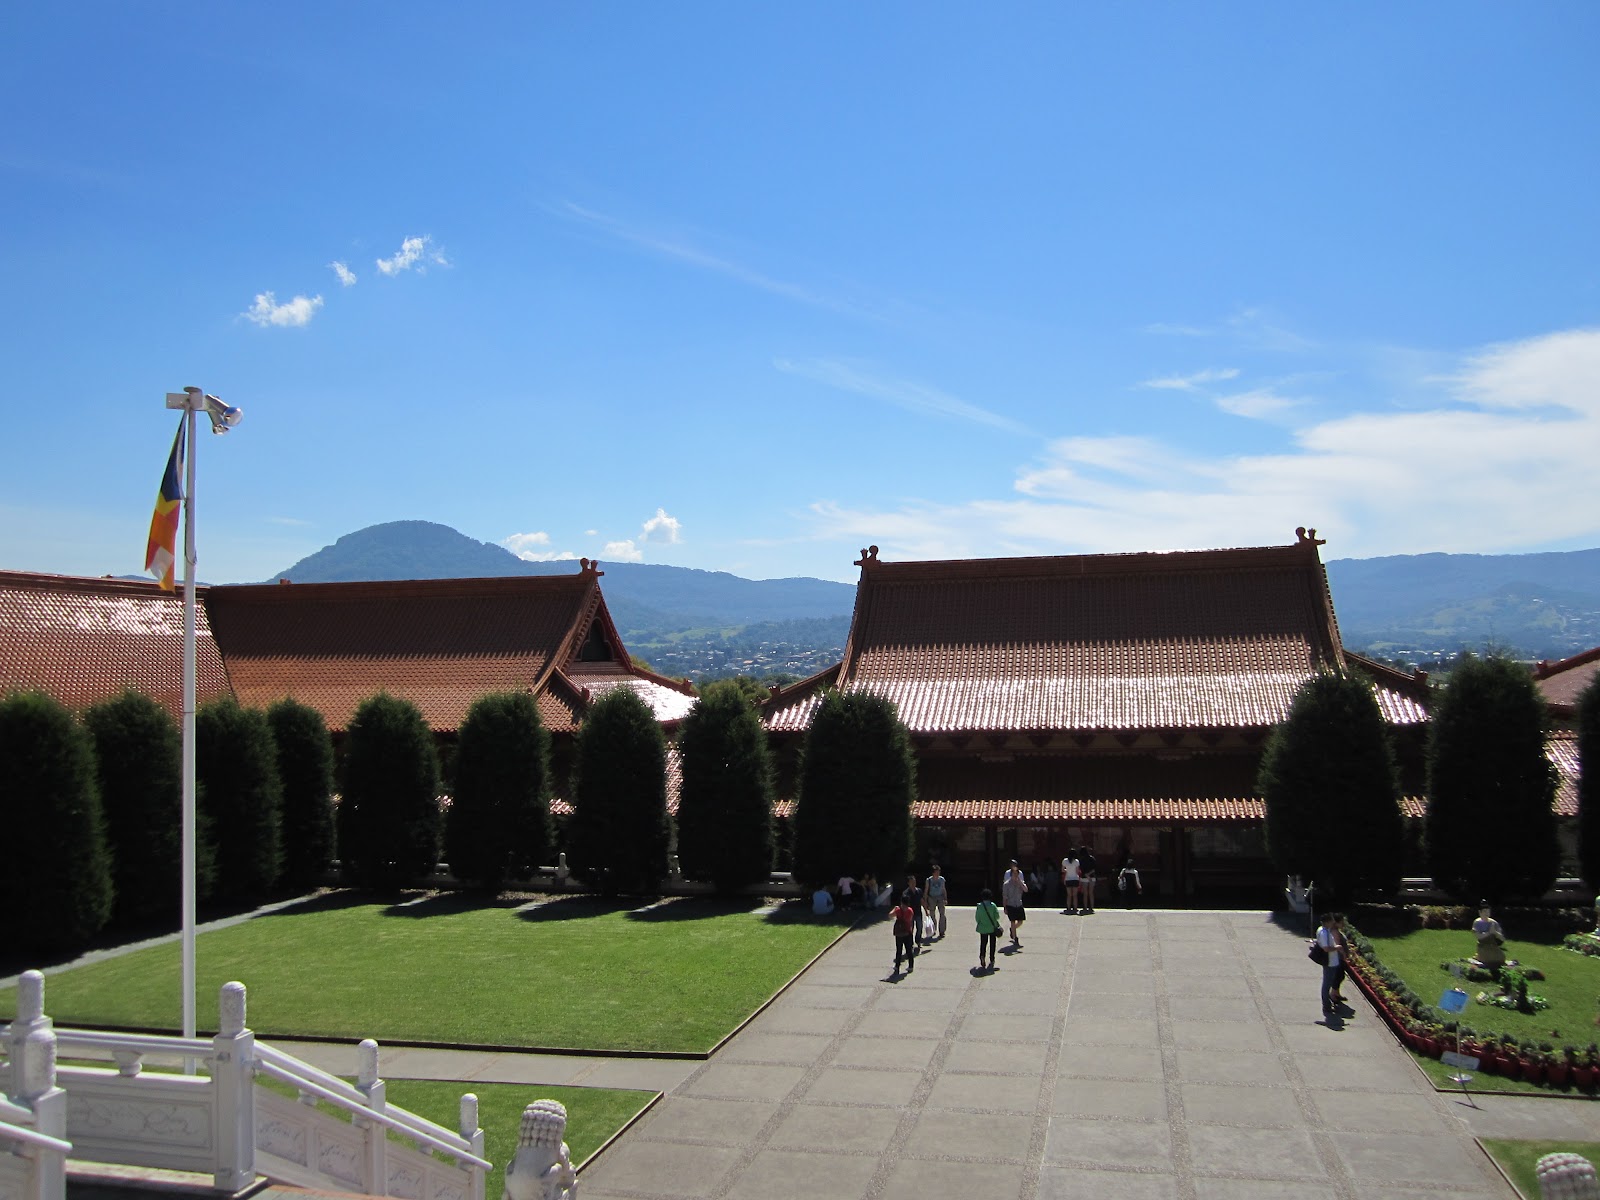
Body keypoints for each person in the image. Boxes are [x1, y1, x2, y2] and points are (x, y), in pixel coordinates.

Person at [1316, 912, 1349, 1015]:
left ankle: (1328, 1004)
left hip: (1331, 961)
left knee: (1328, 983)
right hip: (1330, 961)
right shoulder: (1324, 932)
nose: (1333, 922)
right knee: (1327, 984)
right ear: (1328, 922)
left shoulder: (1324, 930)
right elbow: (1326, 948)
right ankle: (1326, 1006)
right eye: (1331, 920)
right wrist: (1337, 948)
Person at [1001, 858, 1029, 948]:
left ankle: (1012, 930)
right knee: (1012, 921)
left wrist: (1019, 881)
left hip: (1018, 902)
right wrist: (1005, 907)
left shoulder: (1020, 874)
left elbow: (1025, 889)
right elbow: (1005, 895)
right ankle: (1015, 936)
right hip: (1011, 903)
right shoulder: (1007, 877)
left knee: (1020, 921)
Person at [890, 891, 918, 975]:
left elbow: (890, 915)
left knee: (899, 950)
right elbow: (910, 920)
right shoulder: (910, 910)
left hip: (899, 933)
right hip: (907, 932)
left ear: (901, 902)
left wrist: (894, 909)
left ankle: (897, 966)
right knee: (909, 950)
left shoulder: (898, 910)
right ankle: (910, 966)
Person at [1472, 902, 1506, 970]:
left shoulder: (1494, 923)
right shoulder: (1477, 922)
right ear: (1480, 912)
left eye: (1488, 912)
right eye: (1484, 911)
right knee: (1487, 959)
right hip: (1483, 946)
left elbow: (1502, 939)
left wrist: (1495, 933)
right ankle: (1479, 956)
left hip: (1493, 946)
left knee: (1500, 959)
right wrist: (1489, 933)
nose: (1486, 914)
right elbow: (1478, 936)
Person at [975, 887, 1002, 971]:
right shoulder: (993, 906)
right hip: (992, 927)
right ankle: (992, 958)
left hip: (983, 928)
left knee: (983, 943)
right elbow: (997, 916)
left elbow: (977, 918)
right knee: (992, 943)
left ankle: (982, 956)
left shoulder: (979, 906)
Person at [924, 864, 948, 940]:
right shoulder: (929, 880)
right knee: (932, 914)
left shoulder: (942, 879)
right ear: (933, 873)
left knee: (942, 914)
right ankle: (933, 929)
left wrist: (945, 898)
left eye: (939, 872)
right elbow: (926, 890)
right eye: (936, 872)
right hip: (931, 897)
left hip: (940, 896)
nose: (938, 874)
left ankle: (942, 931)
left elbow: (943, 889)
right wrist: (925, 901)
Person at [903, 874, 925, 948]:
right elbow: (903, 904)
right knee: (910, 929)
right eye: (912, 882)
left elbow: (922, 901)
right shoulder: (906, 893)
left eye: (914, 882)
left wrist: (926, 910)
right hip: (910, 914)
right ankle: (910, 943)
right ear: (908, 883)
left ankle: (918, 940)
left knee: (920, 927)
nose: (913, 884)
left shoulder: (919, 891)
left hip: (918, 912)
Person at [1061, 850, 1082, 914]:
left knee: (1069, 895)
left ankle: (1068, 907)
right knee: (1075, 895)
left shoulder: (1065, 861)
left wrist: (1067, 870)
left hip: (1068, 879)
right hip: (1075, 879)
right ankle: (1075, 908)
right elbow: (1077, 871)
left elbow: (1062, 870)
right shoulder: (1076, 861)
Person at [1080, 845, 1098, 914]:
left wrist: (1086, 875)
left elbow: (1081, 869)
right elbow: (1094, 869)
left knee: (1085, 893)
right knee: (1091, 893)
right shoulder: (1092, 858)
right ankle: (1092, 907)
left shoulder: (1081, 860)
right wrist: (1089, 875)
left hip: (1084, 878)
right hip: (1092, 877)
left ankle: (1085, 907)